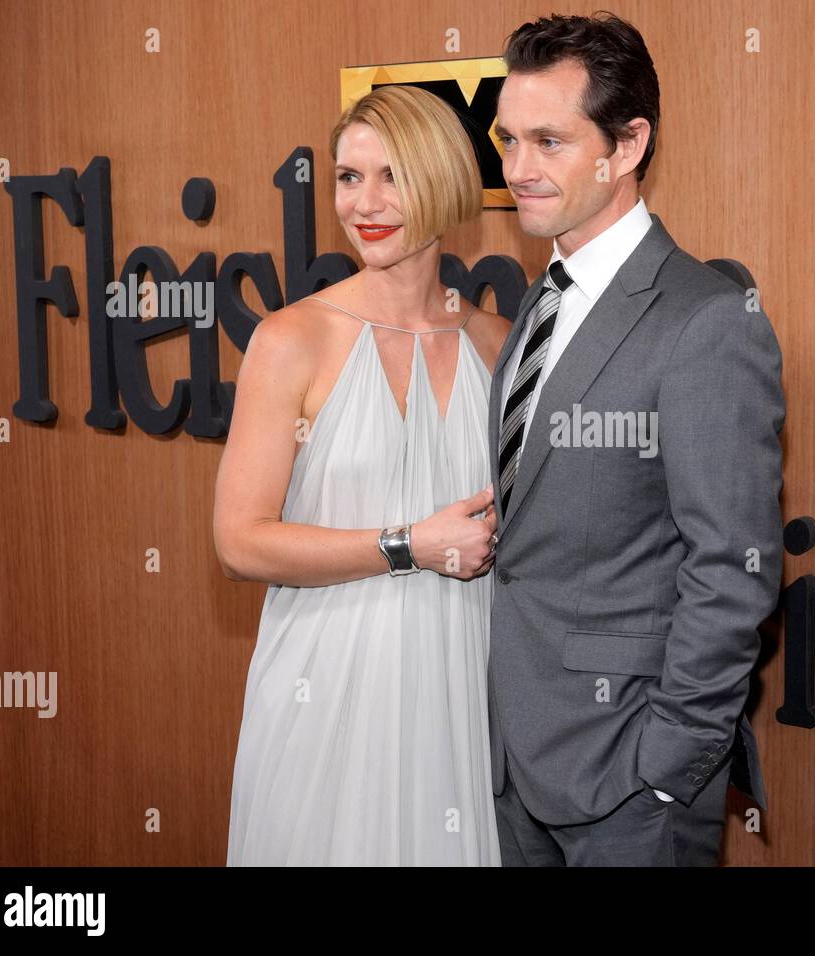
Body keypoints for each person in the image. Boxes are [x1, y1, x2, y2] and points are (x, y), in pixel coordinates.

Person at [486, 12, 784, 866]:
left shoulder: (707, 323)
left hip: (631, 781)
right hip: (517, 758)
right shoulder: (542, 301)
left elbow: (733, 565)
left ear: (626, 145)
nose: (517, 171)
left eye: (549, 141)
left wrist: (668, 766)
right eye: (509, 140)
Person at [213, 84, 511, 865]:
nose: (365, 203)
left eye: (393, 176)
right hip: (328, 691)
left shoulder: (498, 345)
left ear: (445, 181)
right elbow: (240, 543)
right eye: (349, 177)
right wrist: (409, 543)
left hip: (461, 692)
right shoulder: (292, 340)